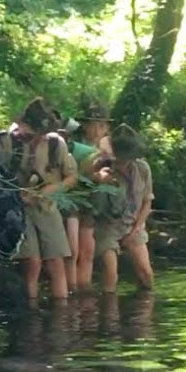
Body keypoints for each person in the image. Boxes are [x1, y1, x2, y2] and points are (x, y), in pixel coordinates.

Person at [9, 98, 75, 303]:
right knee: (33, 262)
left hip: (47, 207)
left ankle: (62, 311)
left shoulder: (56, 144)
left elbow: (71, 177)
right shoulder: (13, 142)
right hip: (22, 209)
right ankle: (32, 307)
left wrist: (51, 189)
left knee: (56, 262)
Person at [90, 132, 154, 292]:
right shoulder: (101, 170)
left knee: (146, 274)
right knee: (111, 275)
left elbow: (147, 202)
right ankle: (109, 312)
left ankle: (143, 311)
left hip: (134, 223)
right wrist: (99, 178)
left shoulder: (142, 168)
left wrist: (135, 230)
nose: (124, 162)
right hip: (107, 227)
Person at [74, 99, 115, 290]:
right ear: (85, 126)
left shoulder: (108, 150)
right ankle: (78, 289)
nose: (98, 130)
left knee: (89, 251)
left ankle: (85, 288)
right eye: (93, 125)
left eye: (102, 125)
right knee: (79, 251)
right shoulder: (76, 147)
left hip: (98, 206)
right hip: (77, 203)